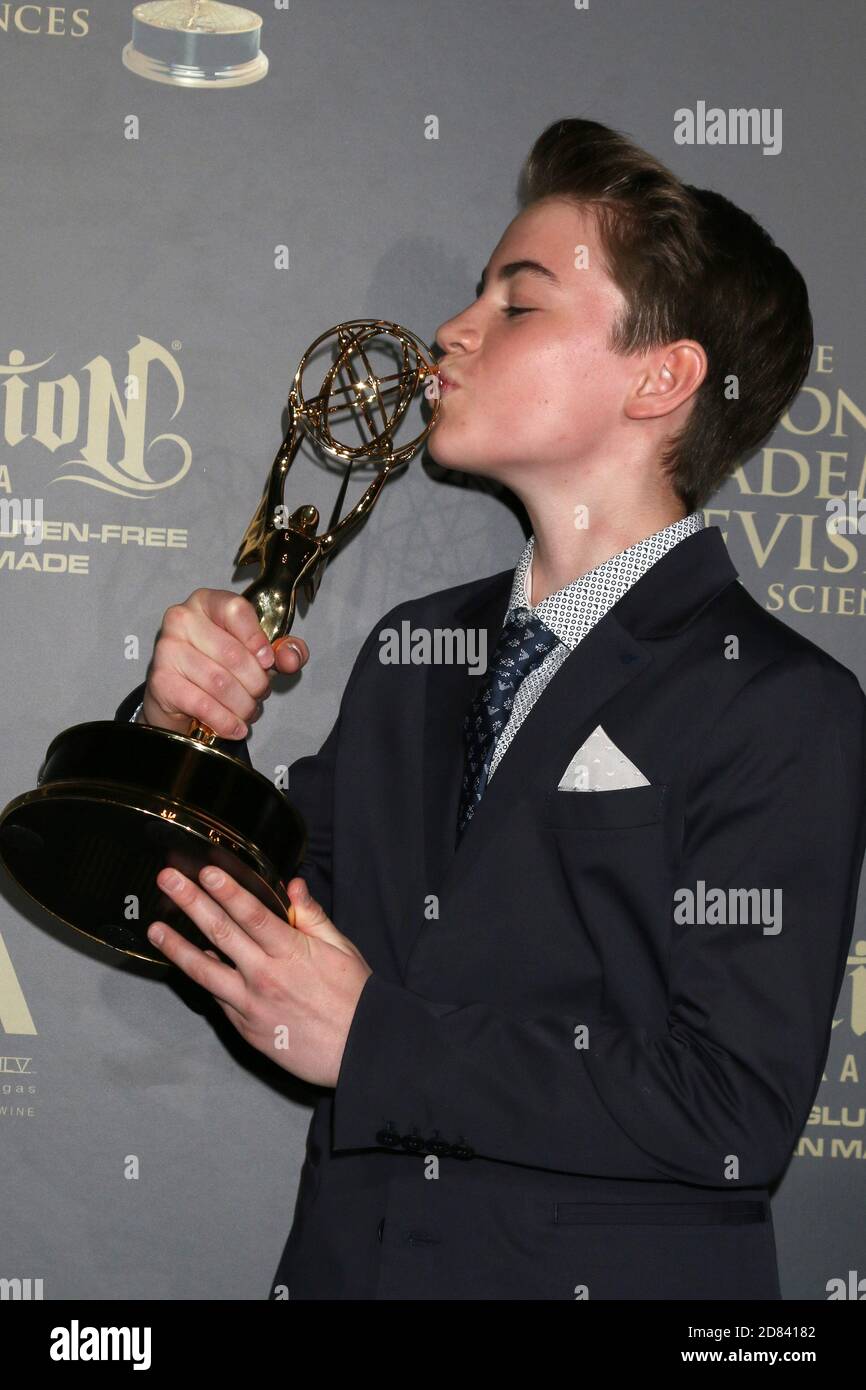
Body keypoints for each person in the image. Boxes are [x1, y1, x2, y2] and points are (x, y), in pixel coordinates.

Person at [115, 118, 866, 1300]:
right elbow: (251, 936)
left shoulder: (779, 705)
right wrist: (182, 737)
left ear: (659, 376)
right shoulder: (415, 655)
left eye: (516, 305)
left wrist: (377, 1040)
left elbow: (729, 1111)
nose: (450, 335)